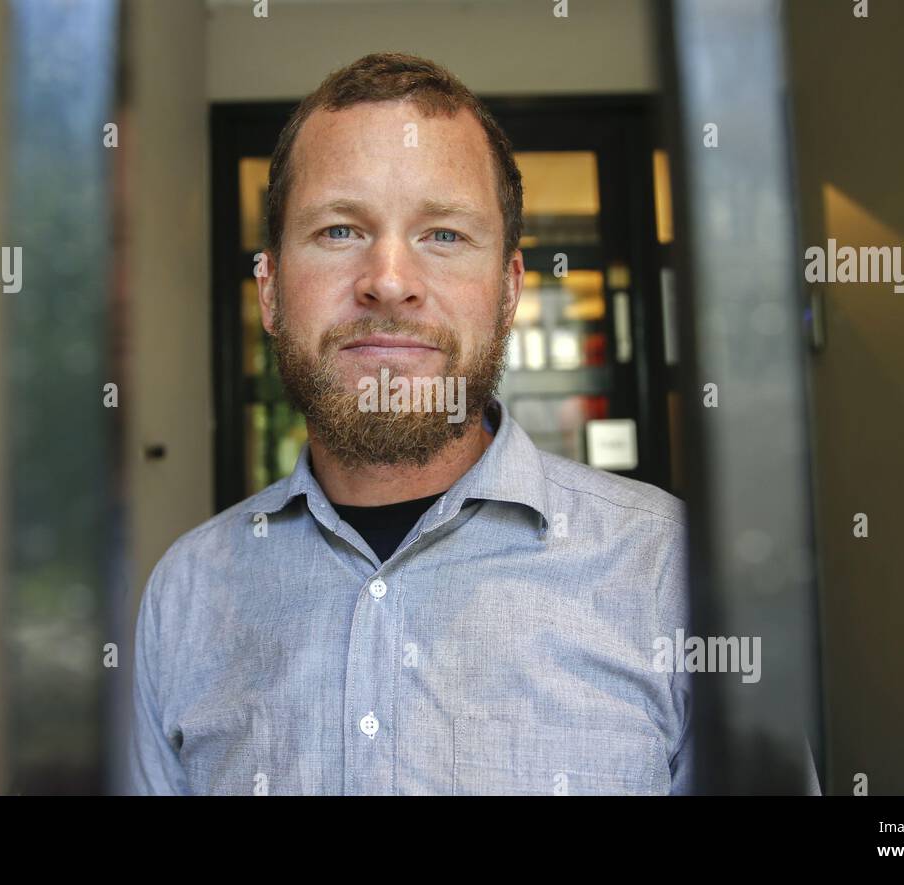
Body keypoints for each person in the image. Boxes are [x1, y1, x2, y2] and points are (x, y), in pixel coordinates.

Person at [131, 51, 711, 795]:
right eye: (340, 230)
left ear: (509, 292)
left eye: (443, 234)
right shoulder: (187, 594)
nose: (391, 281)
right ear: (270, 291)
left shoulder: (670, 575)